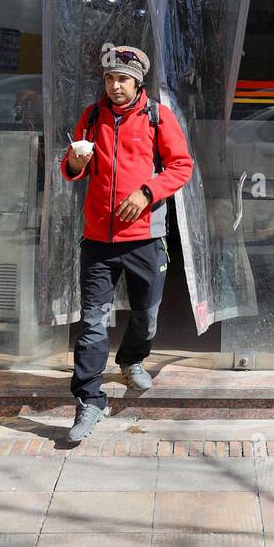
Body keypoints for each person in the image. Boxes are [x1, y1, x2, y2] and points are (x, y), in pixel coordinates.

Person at [60, 44, 193, 442]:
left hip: (145, 238)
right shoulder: (93, 115)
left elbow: (181, 166)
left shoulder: (158, 117)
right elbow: (72, 169)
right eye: (109, 78)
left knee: (146, 317)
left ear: (138, 82)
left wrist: (147, 193)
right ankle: (88, 401)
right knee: (93, 323)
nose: (115, 86)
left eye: (123, 79)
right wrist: (74, 164)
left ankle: (132, 358)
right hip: (98, 238)